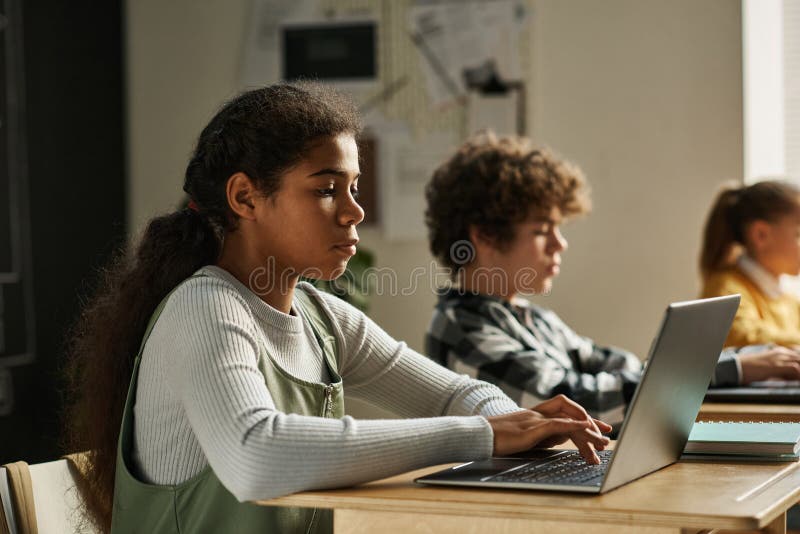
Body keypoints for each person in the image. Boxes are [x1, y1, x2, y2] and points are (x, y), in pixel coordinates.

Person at [62, 84, 610, 534]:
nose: (354, 211)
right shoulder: (205, 309)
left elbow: (455, 394)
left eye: (353, 187)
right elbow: (258, 456)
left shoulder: (321, 317)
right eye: (327, 189)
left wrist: (519, 424)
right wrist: (485, 434)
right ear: (245, 197)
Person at [424, 133, 800, 423]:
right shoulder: (462, 329)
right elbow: (574, 403)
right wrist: (728, 369)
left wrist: (742, 360)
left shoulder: (533, 319)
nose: (560, 244)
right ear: (486, 236)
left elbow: (626, 368)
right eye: (541, 231)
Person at [700, 181, 800, 355]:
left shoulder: (789, 301)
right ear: (761, 235)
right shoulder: (725, 290)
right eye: (798, 234)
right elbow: (745, 338)